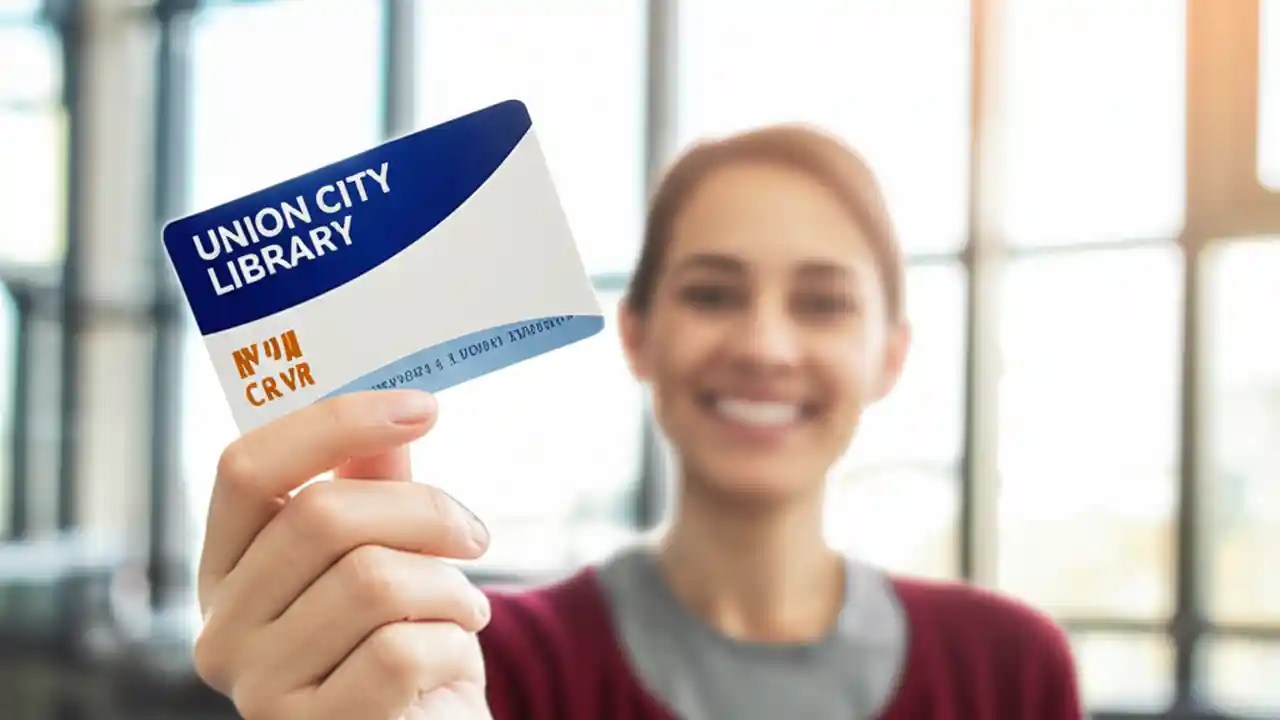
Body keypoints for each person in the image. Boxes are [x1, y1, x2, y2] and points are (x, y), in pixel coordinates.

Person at [191, 124, 1082, 719]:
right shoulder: (465, 664)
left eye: (821, 304)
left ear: (891, 355)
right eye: (712, 293)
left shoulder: (1008, 670)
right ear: (638, 336)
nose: (766, 344)